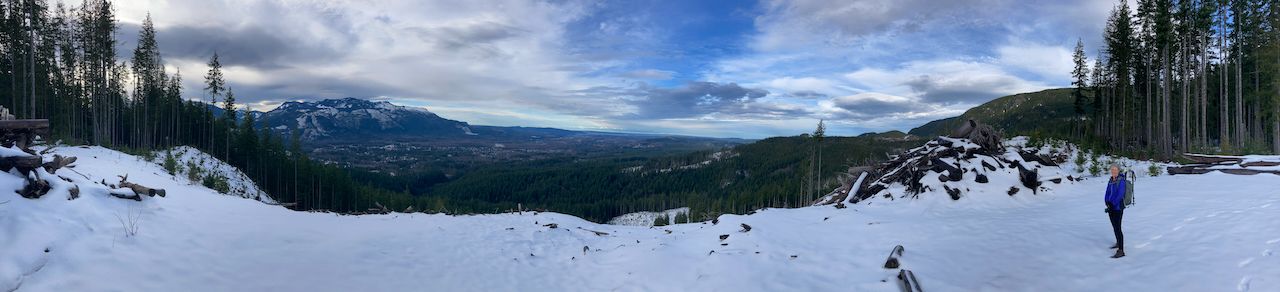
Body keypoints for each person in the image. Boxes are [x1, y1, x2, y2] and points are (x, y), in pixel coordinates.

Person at [1104, 164, 1127, 258]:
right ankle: (1118, 242)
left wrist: (1113, 203)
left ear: (1118, 170)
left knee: (1117, 227)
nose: (1113, 171)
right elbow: (1107, 192)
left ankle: (1121, 250)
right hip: (1111, 206)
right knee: (1114, 225)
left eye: (1115, 169)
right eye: (1112, 169)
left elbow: (1120, 195)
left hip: (1118, 207)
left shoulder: (1121, 181)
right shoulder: (1110, 180)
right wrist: (1107, 202)